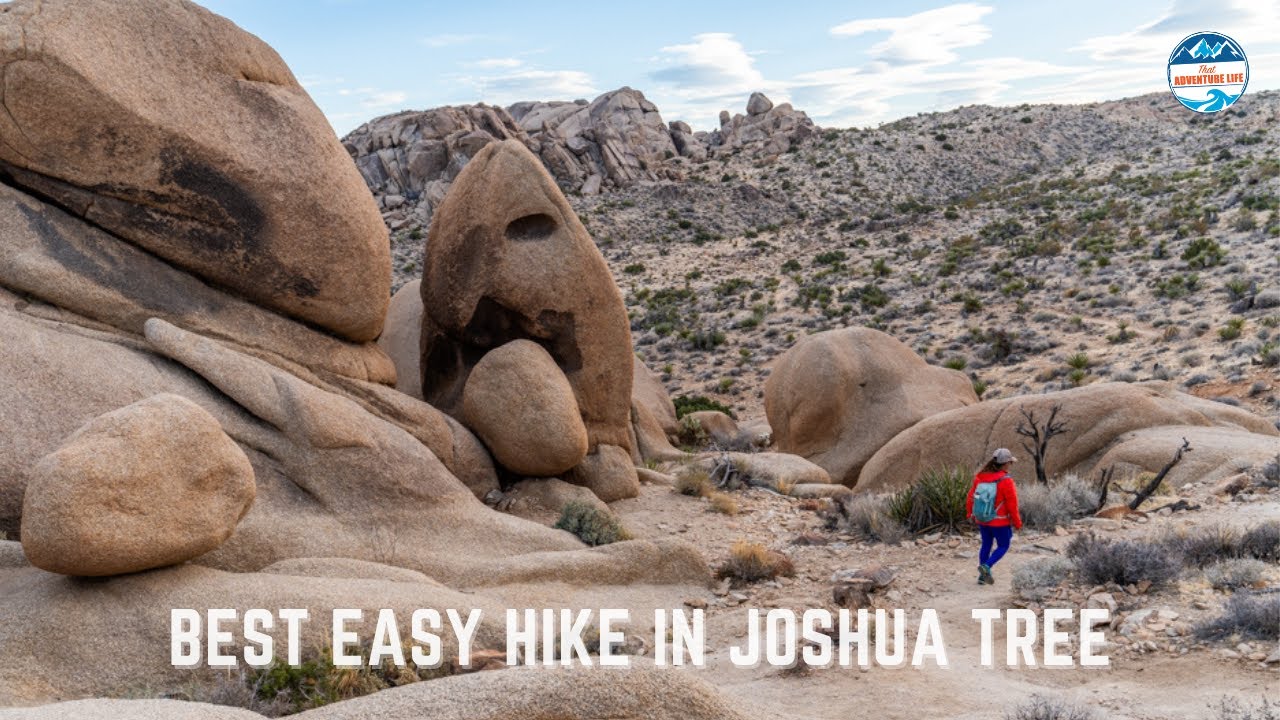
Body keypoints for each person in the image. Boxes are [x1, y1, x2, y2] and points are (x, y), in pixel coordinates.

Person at [966, 448, 1022, 585]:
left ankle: (982, 576)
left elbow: (970, 497)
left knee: (986, 544)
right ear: (1005, 464)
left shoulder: (980, 477)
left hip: (983, 519)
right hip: (1000, 521)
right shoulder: (1005, 480)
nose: (1010, 465)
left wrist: (970, 513)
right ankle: (986, 566)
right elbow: (1012, 504)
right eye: (1010, 463)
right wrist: (1017, 522)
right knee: (1003, 545)